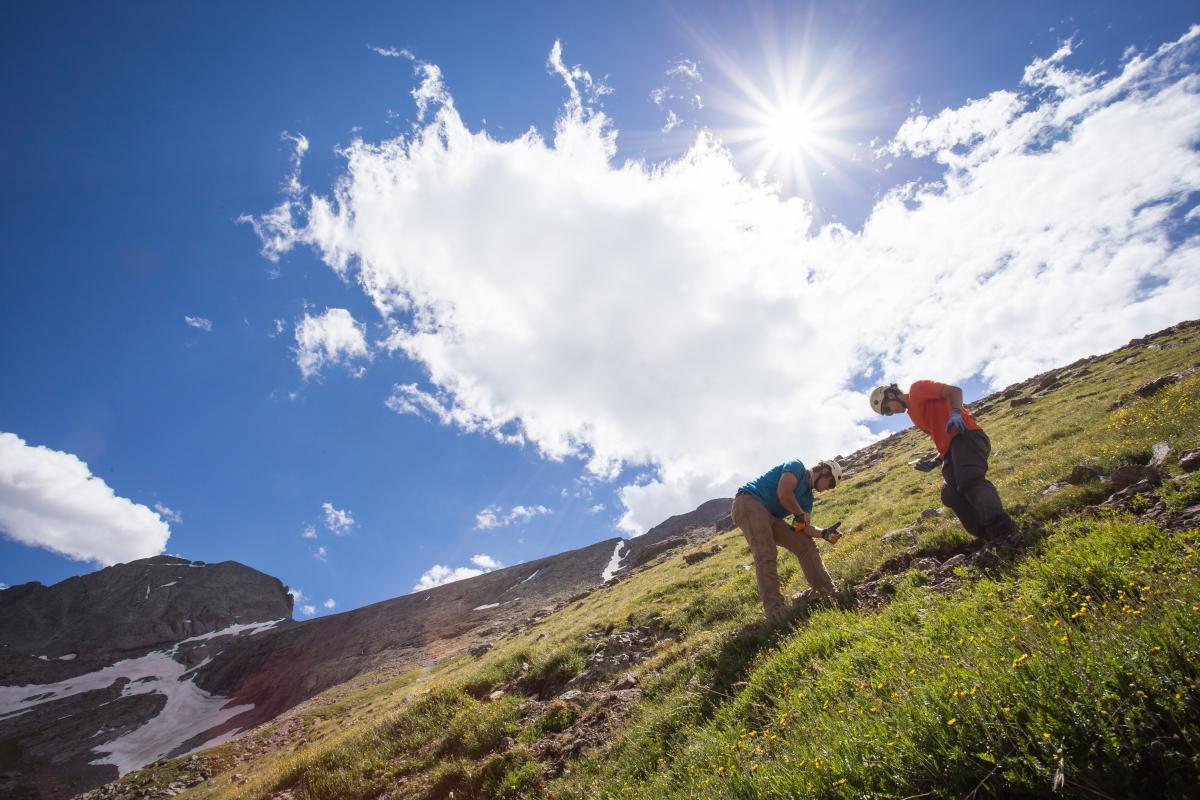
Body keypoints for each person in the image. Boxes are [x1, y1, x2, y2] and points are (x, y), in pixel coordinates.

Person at [869, 381, 1017, 540]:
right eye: (887, 413)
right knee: (950, 495)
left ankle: (1004, 531)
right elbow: (942, 438)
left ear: (891, 395)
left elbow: (954, 391)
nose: (891, 413)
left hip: (966, 435)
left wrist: (956, 412)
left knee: (969, 479)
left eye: (887, 409)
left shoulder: (916, 389)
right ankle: (987, 536)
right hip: (951, 449)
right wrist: (936, 460)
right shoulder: (913, 415)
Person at [731, 458, 843, 622]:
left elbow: (801, 527)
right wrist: (800, 513)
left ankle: (824, 591)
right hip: (749, 502)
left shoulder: (807, 499)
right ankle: (775, 610)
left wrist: (824, 533)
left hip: (771, 516)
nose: (828, 489)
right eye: (831, 484)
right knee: (766, 553)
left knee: (805, 544)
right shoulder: (796, 466)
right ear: (825, 471)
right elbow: (784, 494)